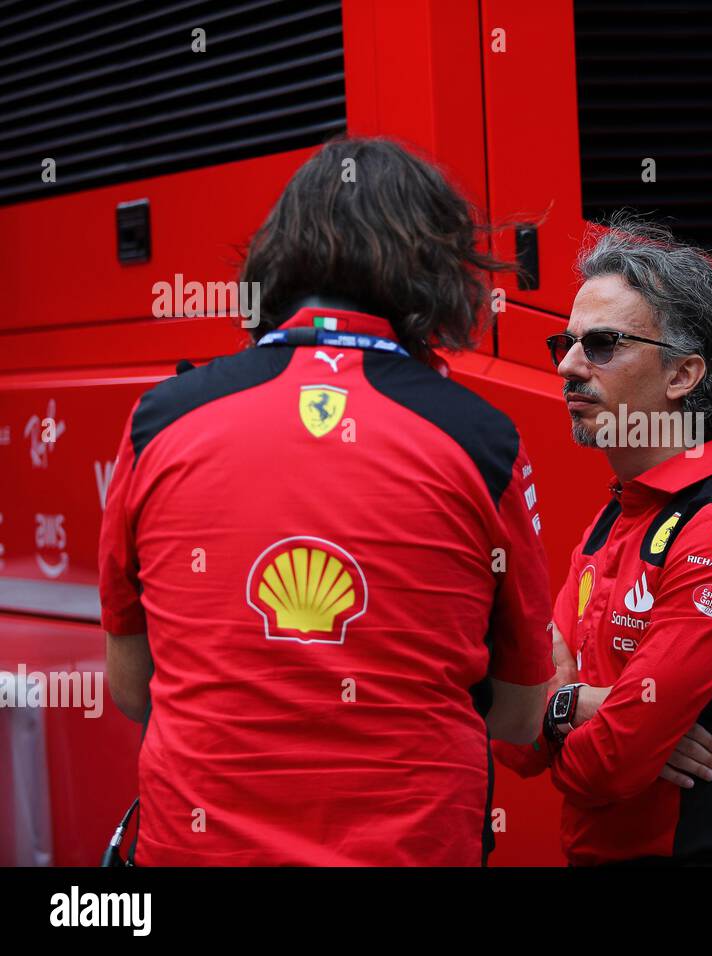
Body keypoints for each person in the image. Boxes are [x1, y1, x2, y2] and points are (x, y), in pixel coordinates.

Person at [97, 137, 553, 866]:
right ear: (434, 271)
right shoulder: (482, 439)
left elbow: (131, 689)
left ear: (275, 260)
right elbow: (521, 715)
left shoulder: (163, 419)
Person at [494, 215, 712, 865]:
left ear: (683, 375)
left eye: (603, 344)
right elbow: (511, 736)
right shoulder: (611, 520)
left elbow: (608, 766)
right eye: (567, 343)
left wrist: (562, 711)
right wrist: (579, 705)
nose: (570, 366)